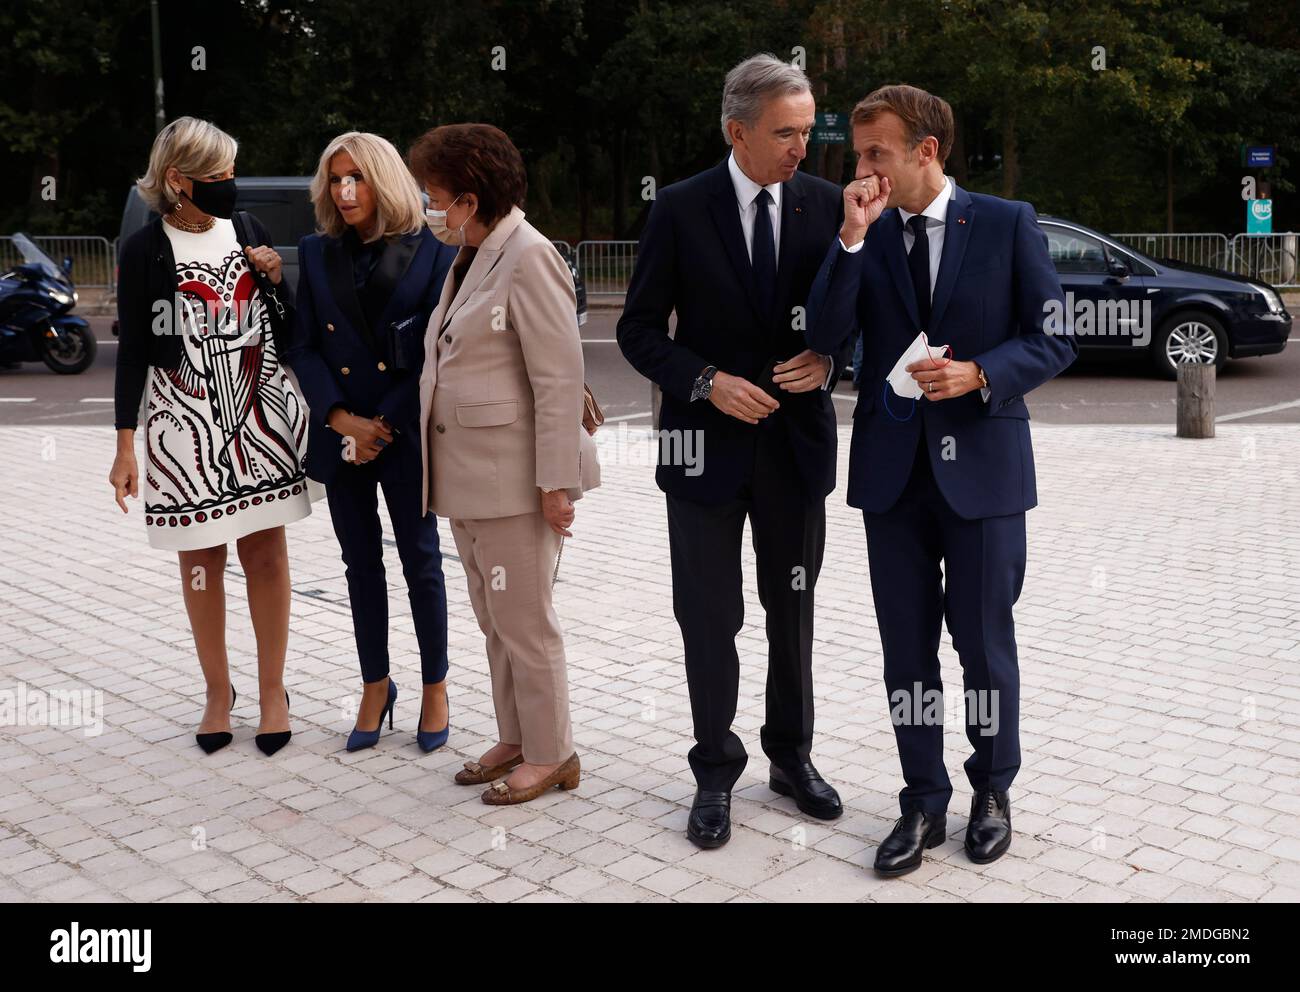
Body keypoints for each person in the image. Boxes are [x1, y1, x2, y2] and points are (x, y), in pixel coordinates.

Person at [805, 84, 1077, 876]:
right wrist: (851, 239)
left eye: (874, 152)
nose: (860, 168)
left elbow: (1052, 337)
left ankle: (992, 791)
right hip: (892, 477)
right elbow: (824, 335)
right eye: (858, 153)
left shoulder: (1004, 223)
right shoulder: (864, 229)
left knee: (984, 646)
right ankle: (922, 799)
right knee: (905, 651)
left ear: (926, 151)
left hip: (984, 474)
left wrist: (981, 374)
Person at [616, 54, 852, 849]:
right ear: (736, 131)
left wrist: (830, 359)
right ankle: (714, 770)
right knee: (708, 618)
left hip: (795, 451)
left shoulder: (827, 207)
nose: (801, 146)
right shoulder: (680, 209)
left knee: (793, 611)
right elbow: (638, 330)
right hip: (702, 450)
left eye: (807, 130)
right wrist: (705, 381)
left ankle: (792, 759)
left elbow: (863, 313)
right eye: (785, 133)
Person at [109, 116, 317, 757]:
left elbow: (287, 326)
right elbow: (135, 349)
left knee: (266, 554)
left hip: (258, 412)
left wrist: (277, 279)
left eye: (231, 172)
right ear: (179, 180)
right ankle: (217, 693)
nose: (231, 184)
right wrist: (124, 444)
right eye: (219, 175)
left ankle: (274, 693)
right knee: (200, 559)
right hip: (180, 420)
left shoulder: (248, 231)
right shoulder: (143, 250)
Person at [411, 123, 600, 805]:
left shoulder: (528, 254)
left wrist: (557, 485)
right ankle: (516, 736)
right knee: (495, 620)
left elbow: (557, 377)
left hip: (517, 480)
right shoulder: (475, 253)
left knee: (526, 621)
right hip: (469, 477)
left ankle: (553, 754)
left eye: (436, 197)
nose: (429, 209)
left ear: (469, 197)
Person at [285, 132, 456, 753]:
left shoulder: (436, 249)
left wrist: (379, 422)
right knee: (360, 565)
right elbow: (302, 343)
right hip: (342, 434)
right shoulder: (317, 249)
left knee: (421, 561)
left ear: (383, 180)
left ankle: (435, 685)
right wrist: (338, 418)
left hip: (404, 433)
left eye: (356, 177)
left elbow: (437, 352)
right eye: (335, 180)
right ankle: (375, 684)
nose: (345, 190)